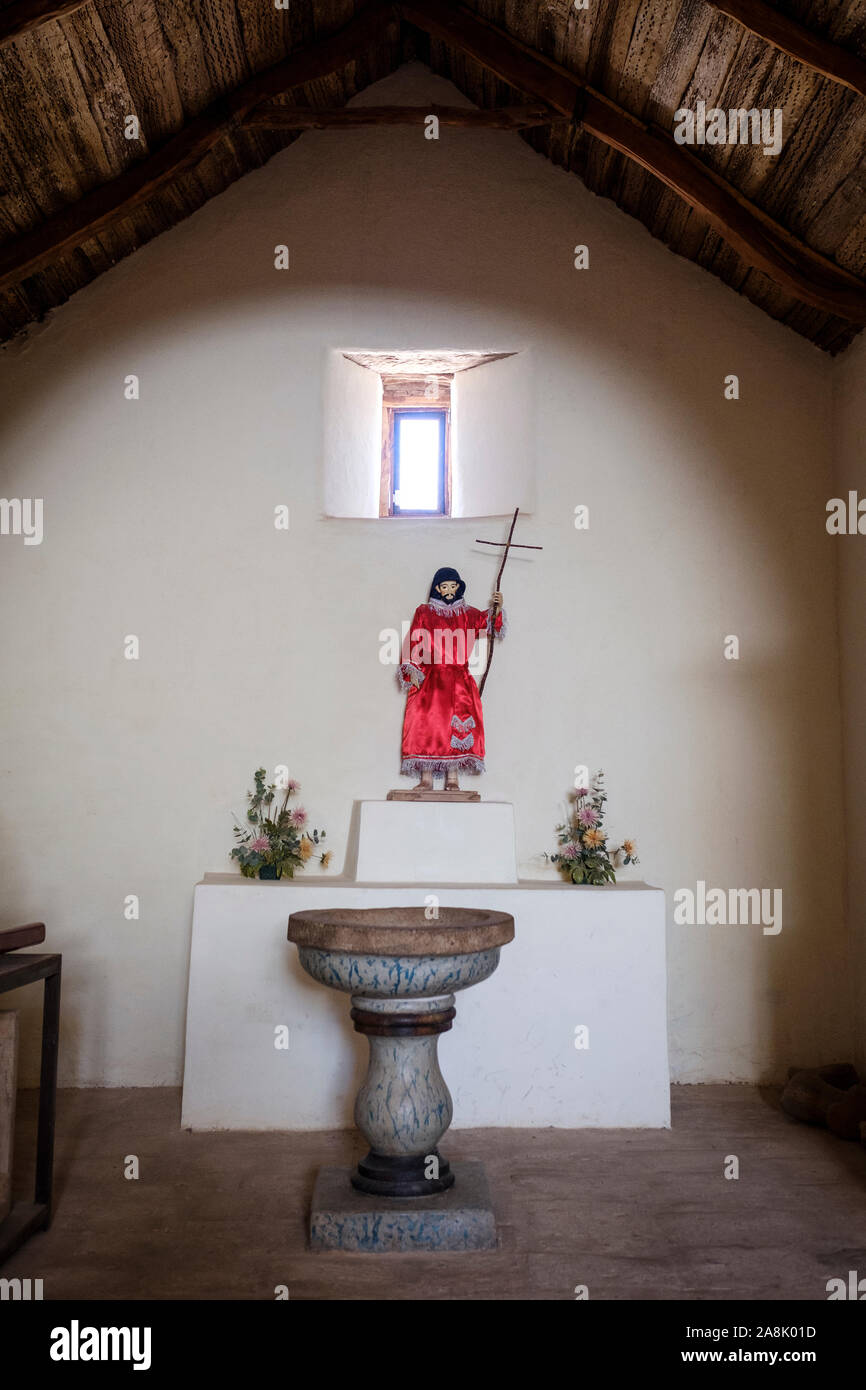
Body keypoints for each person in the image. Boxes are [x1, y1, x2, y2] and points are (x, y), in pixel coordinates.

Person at [397, 566, 506, 791]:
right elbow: (415, 638)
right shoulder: (424, 612)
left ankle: (453, 777)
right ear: (437, 588)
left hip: (459, 681)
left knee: (456, 727)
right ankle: (426, 778)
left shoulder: (467, 614)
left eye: (453, 586)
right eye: (444, 586)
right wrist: (412, 669)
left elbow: (488, 622)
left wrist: (497, 607)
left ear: (458, 588)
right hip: (430, 679)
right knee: (428, 725)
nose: (449, 590)